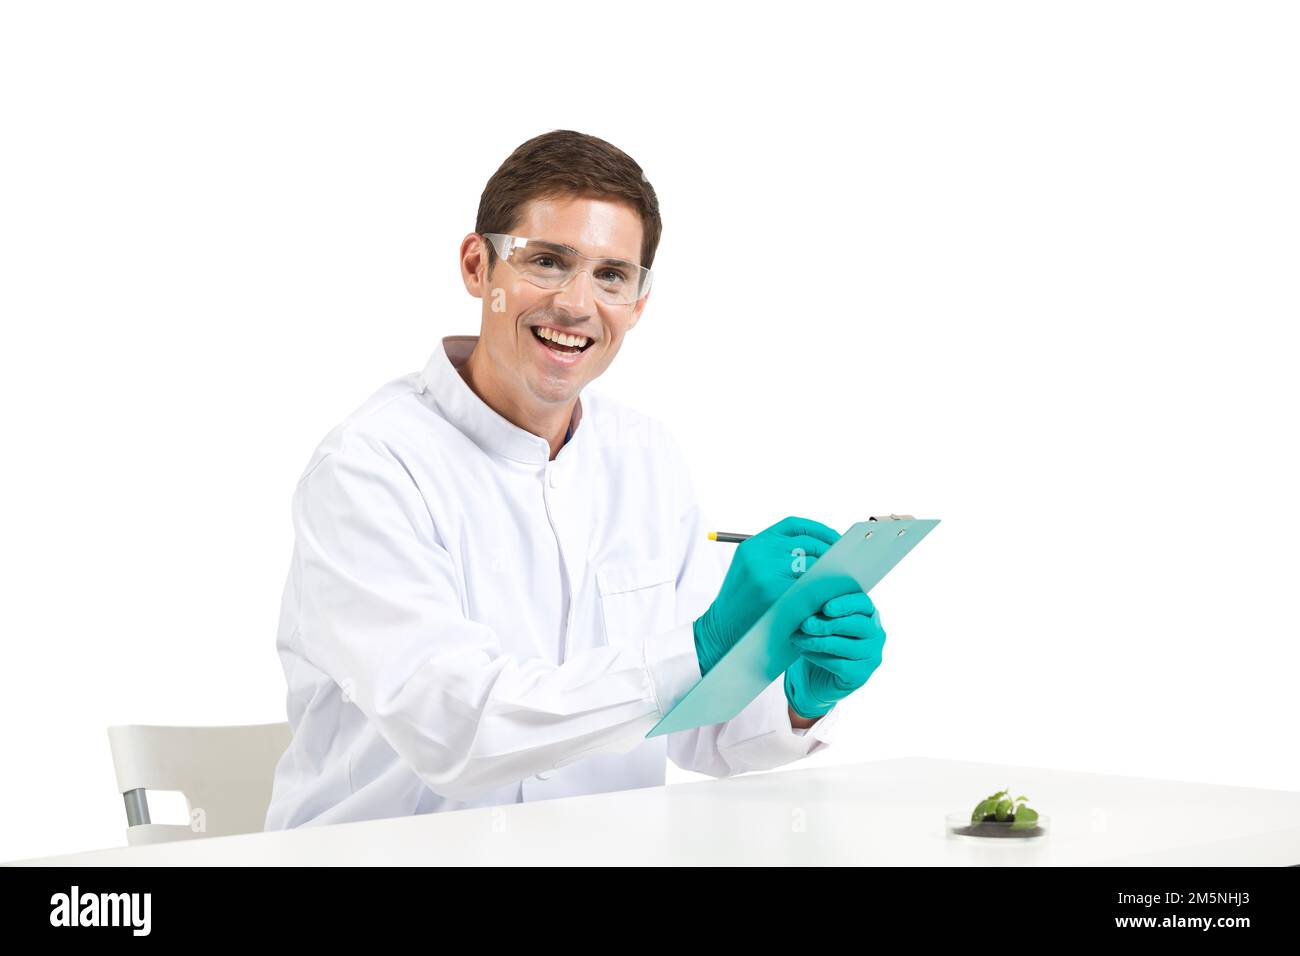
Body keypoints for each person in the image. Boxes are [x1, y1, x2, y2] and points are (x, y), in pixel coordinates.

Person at [263, 130, 886, 829]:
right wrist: (704, 645)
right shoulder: (370, 469)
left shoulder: (647, 457)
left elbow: (690, 728)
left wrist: (800, 696)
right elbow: (459, 730)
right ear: (478, 265)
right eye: (548, 261)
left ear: (639, 302)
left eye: (611, 275)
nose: (575, 304)